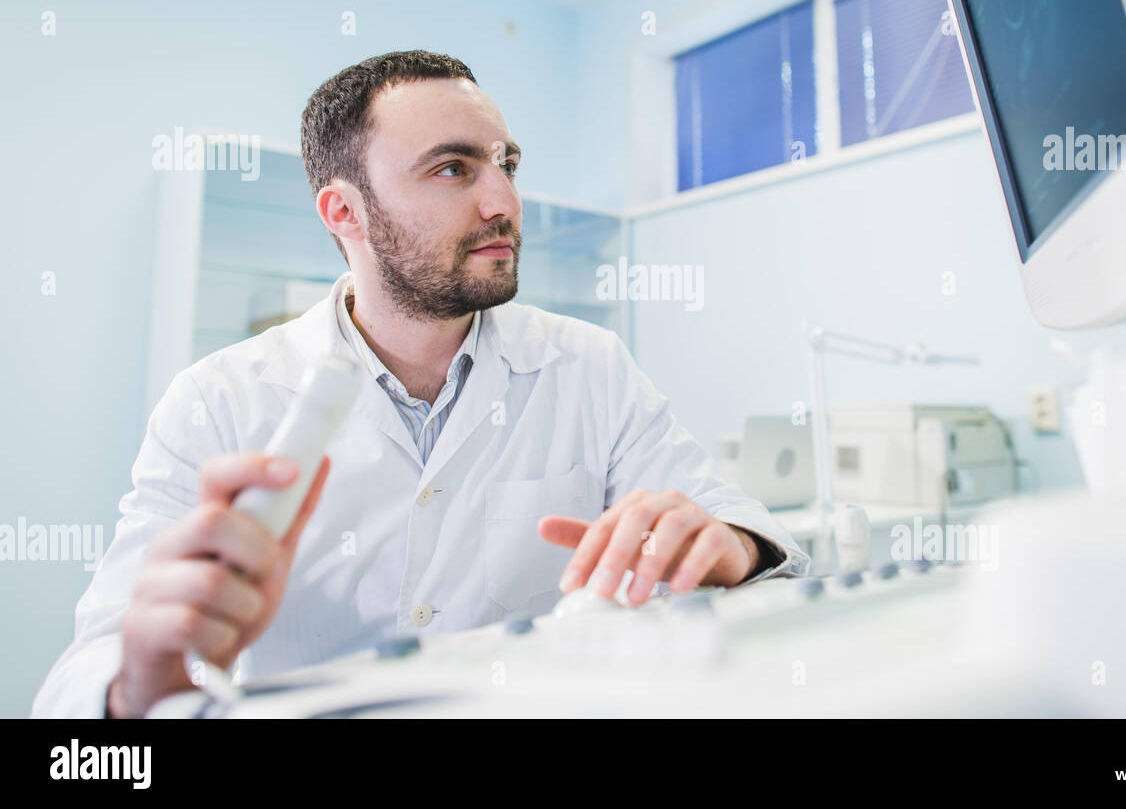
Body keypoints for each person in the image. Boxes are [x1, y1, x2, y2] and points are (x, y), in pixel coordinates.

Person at [32, 50, 810, 719]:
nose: (504, 201)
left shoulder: (590, 366)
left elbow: (744, 530)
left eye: (506, 163)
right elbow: (82, 675)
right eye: (452, 168)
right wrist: (137, 683)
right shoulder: (217, 400)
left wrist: (729, 546)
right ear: (346, 212)